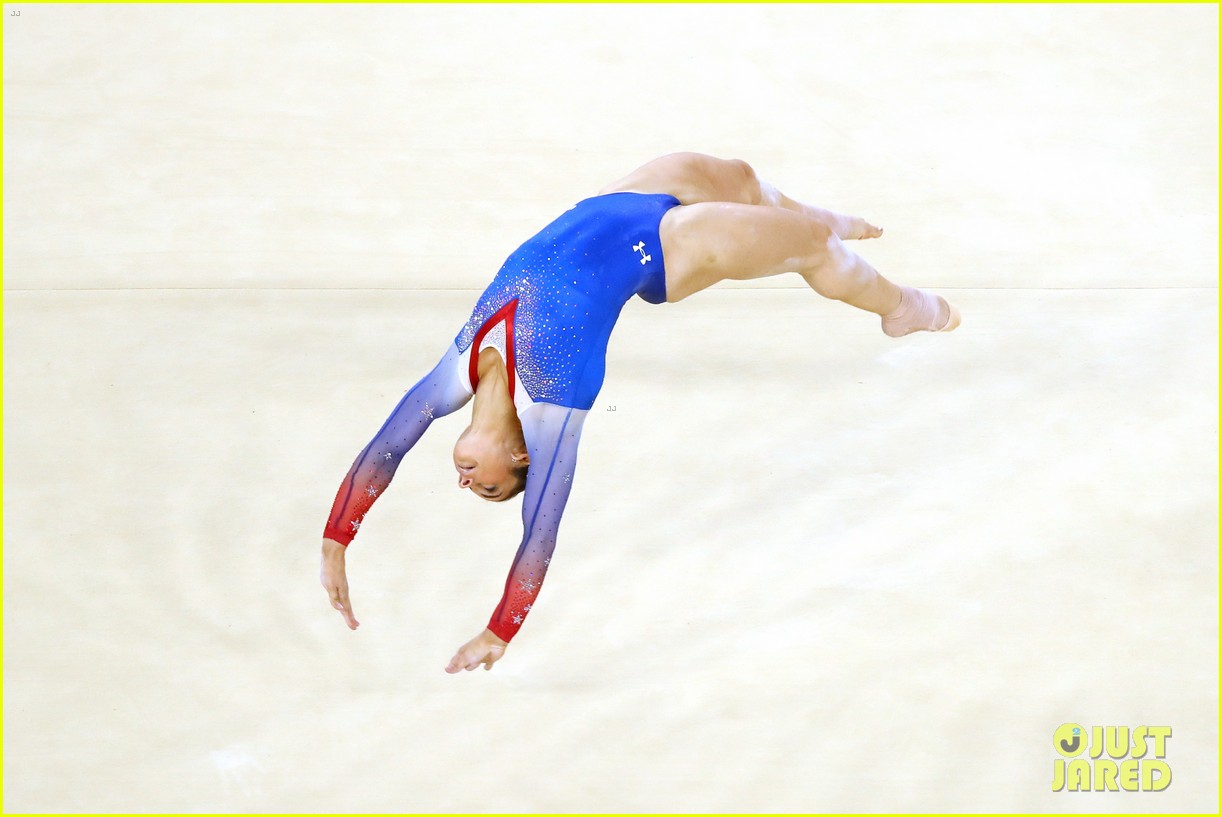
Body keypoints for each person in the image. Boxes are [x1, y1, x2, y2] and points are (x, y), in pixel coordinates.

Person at [318, 152, 959, 673]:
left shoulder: (454, 372)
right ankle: (902, 307)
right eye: (486, 487)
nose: (464, 480)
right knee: (814, 246)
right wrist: (499, 630)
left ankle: (816, 219)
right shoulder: (552, 409)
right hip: (665, 247)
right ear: (521, 460)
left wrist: (335, 546)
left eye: (469, 482)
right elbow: (539, 532)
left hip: (607, 208)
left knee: (735, 174)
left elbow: (385, 449)